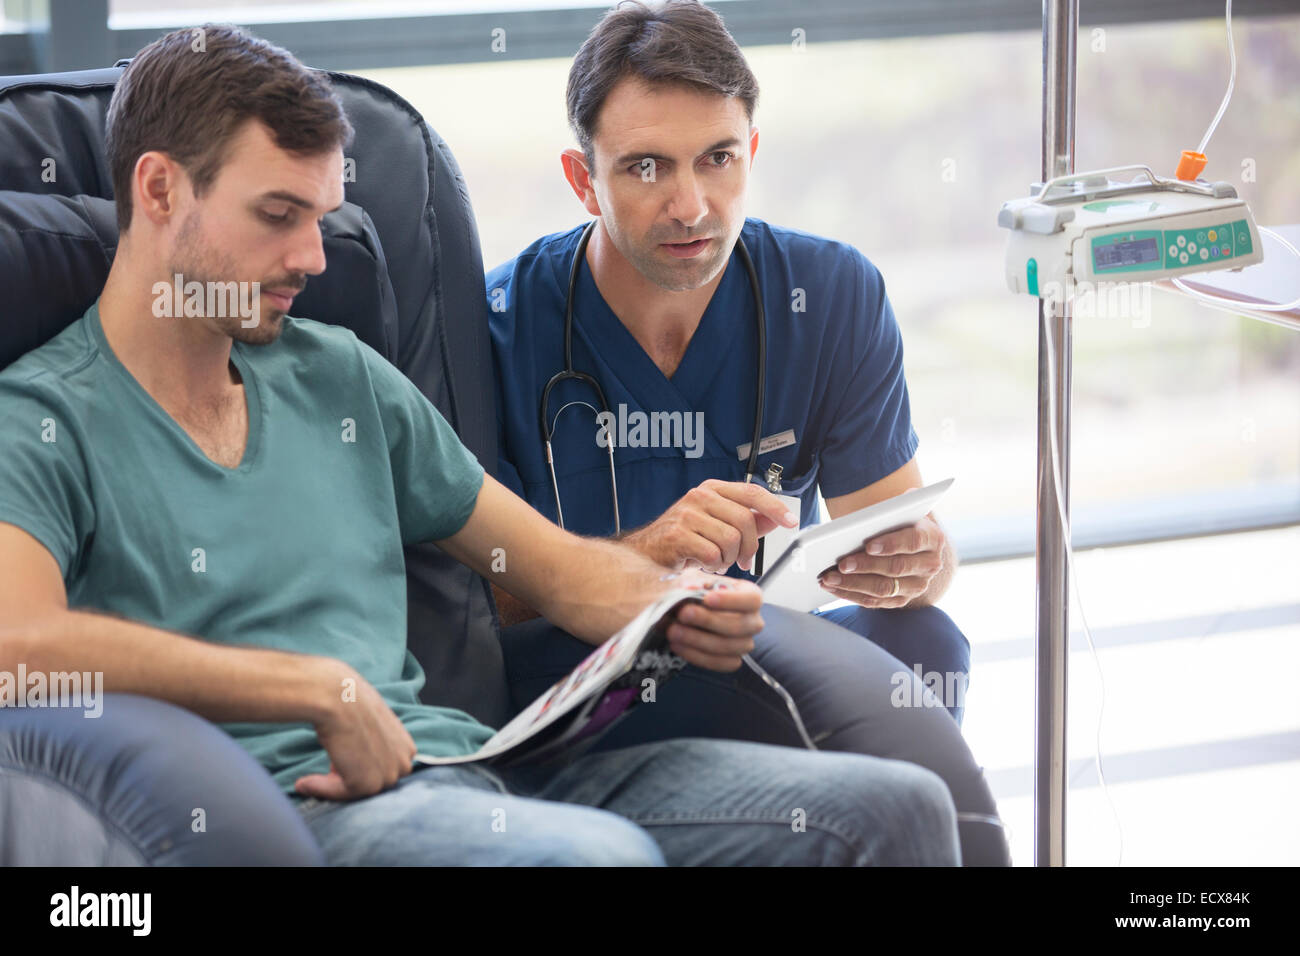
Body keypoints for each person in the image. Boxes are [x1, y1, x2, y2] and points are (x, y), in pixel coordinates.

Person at [0, 23, 962, 866]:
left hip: (477, 768)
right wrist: (314, 690)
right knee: (595, 860)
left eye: (325, 218)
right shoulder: (43, 417)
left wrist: (685, 601)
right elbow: (14, 643)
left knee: (892, 813)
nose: (314, 259)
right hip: (310, 807)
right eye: (278, 217)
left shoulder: (340, 377)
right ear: (160, 190)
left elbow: (560, 575)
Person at [487, 0, 1012, 865]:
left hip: (763, 659)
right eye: (646, 167)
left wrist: (919, 563)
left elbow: (904, 545)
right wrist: (642, 554)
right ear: (583, 180)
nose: (690, 204)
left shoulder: (829, 293)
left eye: (717, 159)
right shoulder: (500, 324)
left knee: (925, 641)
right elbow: (467, 607)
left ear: (752, 153)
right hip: (595, 690)